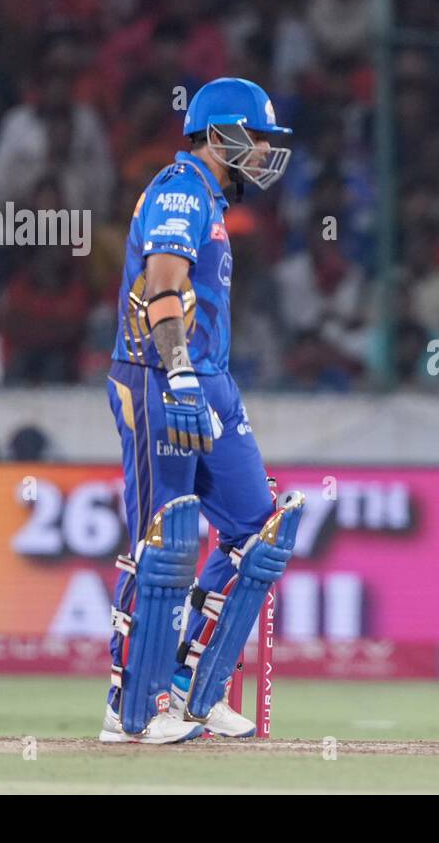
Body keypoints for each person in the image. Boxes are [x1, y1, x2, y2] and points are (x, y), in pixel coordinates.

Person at [101, 77, 304, 743]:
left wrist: (199, 375)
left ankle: (194, 687)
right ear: (221, 134)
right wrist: (180, 372)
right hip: (160, 373)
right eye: (258, 137)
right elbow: (163, 282)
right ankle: (130, 707)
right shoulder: (182, 189)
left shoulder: (210, 197)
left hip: (209, 376)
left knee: (257, 533)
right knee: (165, 542)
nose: (267, 150)